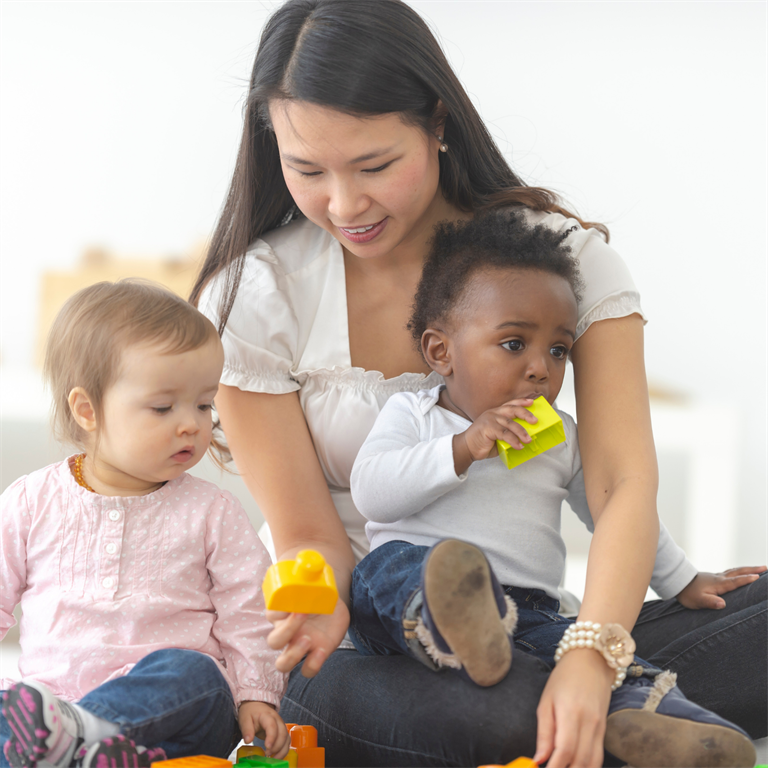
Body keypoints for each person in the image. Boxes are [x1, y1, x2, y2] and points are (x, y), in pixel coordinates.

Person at [191, 1, 768, 765]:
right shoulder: (256, 296)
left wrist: (593, 654)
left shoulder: (564, 263)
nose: (344, 204)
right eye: (307, 170)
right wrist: (324, 606)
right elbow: (309, 536)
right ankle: (628, 715)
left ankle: (604, 706)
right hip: (360, 638)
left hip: (539, 625)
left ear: (437, 123)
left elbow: (620, 487)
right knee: (492, 714)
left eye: (374, 166)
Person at [347, 210, 756, 768]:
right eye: (514, 343)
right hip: (400, 605)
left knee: (595, 652)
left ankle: (668, 725)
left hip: (527, 612)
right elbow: (371, 493)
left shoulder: (558, 436)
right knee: (398, 566)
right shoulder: (414, 415)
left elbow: (616, 513)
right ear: (441, 352)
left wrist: (683, 579)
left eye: (558, 350)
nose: (541, 368)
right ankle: (456, 621)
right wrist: (463, 447)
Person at [0, 281, 290, 768]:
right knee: (9, 708)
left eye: (204, 404)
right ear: (87, 411)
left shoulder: (211, 511)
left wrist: (256, 692)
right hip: (53, 703)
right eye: (163, 407)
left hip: (177, 715)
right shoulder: (31, 501)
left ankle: (76, 741)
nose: (191, 424)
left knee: (193, 673)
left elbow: (250, 609)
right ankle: (72, 748)